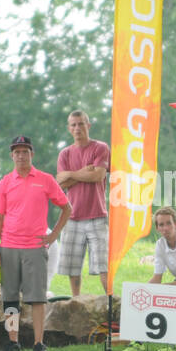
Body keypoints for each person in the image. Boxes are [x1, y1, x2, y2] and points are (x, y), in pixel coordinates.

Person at [0, 135, 70, 351]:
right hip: (8, 246)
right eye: (17, 152)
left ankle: (38, 343)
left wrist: (53, 235)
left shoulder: (45, 180)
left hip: (35, 247)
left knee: (37, 297)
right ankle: (12, 341)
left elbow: (67, 208)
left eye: (25, 151)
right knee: (11, 297)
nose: (21, 155)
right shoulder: (5, 182)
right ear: (12, 155)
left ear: (32, 154)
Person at [55, 109, 110, 296]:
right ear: (69, 129)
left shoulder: (100, 148)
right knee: (72, 266)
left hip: (97, 215)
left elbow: (98, 175)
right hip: (72, 216)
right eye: (73, 125)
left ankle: (110, 300)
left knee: (103, 264)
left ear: (89, 125)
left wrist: (71, 175)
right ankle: (75, 299)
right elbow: (60, 182)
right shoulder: (64, 154)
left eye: (81, 123)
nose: (77, 127)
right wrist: (82, 173)